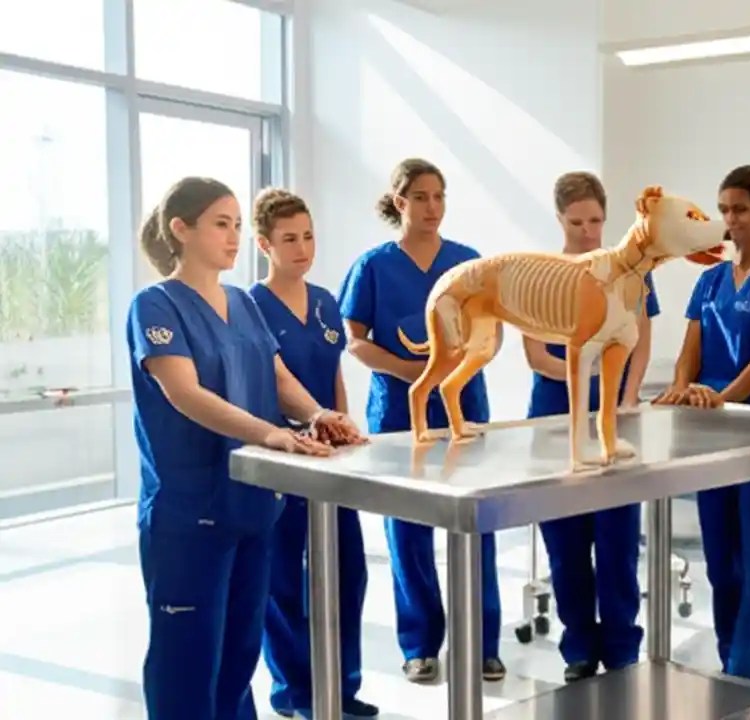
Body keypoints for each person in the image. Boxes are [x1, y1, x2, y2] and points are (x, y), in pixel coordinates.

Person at [128, 177, 364, 720]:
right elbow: (184, 392)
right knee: (186, 660)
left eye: (237, 224)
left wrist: (318, 414)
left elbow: (278, 375)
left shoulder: (242, 302)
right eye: (220, 224)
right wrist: (272, 434)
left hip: (253, 505)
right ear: (179, 229)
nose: (233, 236)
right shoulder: (156, 305)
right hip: (189, 513)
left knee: (239, 656)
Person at [337, 158, 505, 683]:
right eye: (422, 197)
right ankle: (419, 643)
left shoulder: (468, 264)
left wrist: (456, 366)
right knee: (407, 531)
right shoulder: (373, 266)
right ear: (399, 201)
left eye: (440, 196)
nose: (433, 207)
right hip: (397, 410)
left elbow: (492, 332)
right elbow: (356, 340)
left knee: (477, 523)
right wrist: (414, 370)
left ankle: (482, 643)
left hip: (462, 405)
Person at [653, 164, 750, 682]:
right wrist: (682, 389)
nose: (730, 219)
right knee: (720, 552)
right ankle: (731, 654)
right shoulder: (710, 278)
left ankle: (748, 664)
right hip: (708, 428)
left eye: (741, 209)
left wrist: (720, 398)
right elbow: (689, 351)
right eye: (723, 210)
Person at [248, 188, 377, 719]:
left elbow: (334, 373)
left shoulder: (325, 300)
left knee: (349, 572)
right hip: (285, 457)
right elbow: (272, 382)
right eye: (289, 239)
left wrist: (345, 426)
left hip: (332, 457)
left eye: (308, 236)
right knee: (284, 579)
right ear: (264, 244)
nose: (303, 248)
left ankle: (341, 688)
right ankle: (297, 693)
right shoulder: (249, 305)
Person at [525, 171, 659, 682]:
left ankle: (623, 646)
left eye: (597, 220)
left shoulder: (630, 270)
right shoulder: (543, 272)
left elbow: (641, 340)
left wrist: (622, 396)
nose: (588, 232)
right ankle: (578, 646)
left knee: (618, 537)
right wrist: (587, 376)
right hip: (557, 420)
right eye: (577, 222)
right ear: (559, 219)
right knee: (566, 540)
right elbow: (537, 355)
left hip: (614, 415)